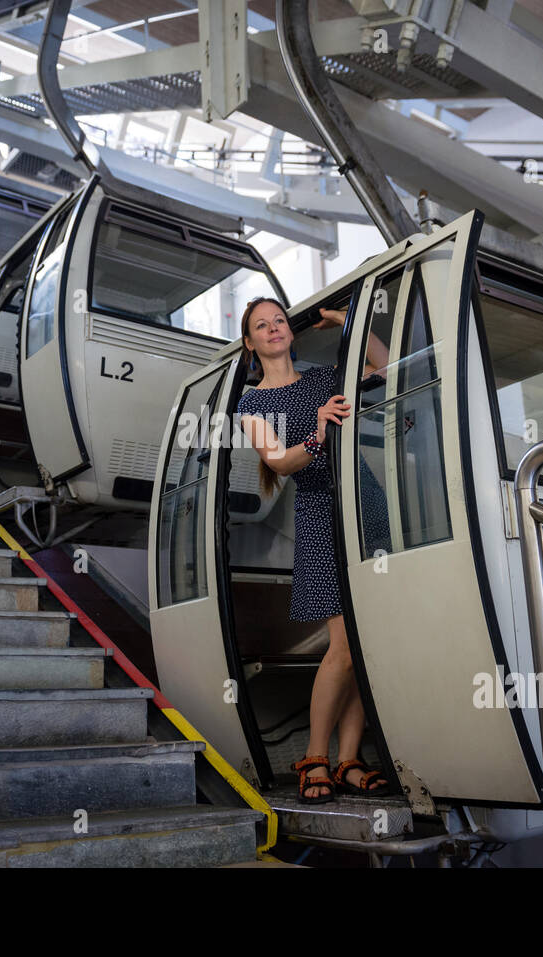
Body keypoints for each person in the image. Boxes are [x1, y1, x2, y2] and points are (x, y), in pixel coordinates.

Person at [235, 295, 392, 804]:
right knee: (343, 646)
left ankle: (348, 760)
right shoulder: (252, 402)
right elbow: (279, 462)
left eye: (279, 320)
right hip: (321, 513)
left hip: (365, 503)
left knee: (366, 647)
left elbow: (383, 366)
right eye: (263, 325)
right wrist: (320, 430)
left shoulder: (324, 377)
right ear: (251, 342)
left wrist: (352, 321)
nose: (274, 328)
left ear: (290, 332)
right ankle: (314, 756)